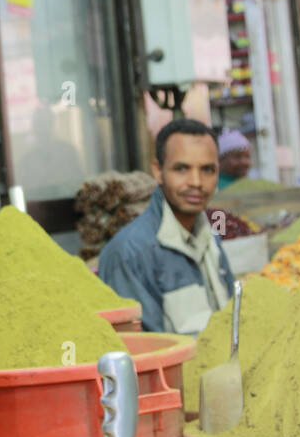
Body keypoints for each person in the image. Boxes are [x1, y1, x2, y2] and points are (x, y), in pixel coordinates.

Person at [98, 118, 234, 335]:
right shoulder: (129, 254)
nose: (196, 182)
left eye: (207, 170)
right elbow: (141, 354)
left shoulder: (210, 238)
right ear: (158, 171)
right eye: (182, 169)